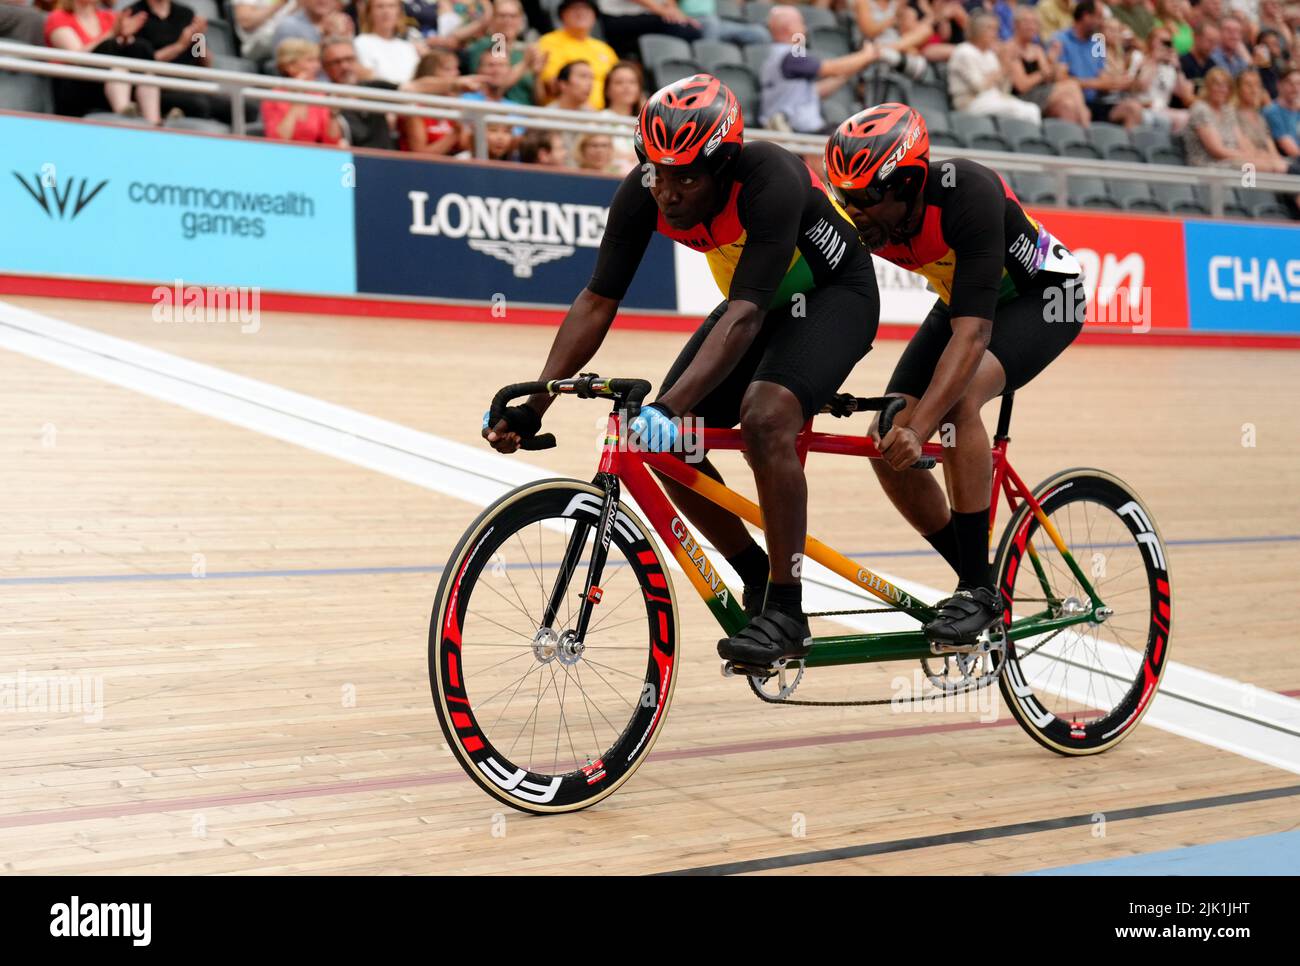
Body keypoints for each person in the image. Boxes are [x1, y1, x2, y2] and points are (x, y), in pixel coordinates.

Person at [484, 74, 882, 665]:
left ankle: (788, 610)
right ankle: (753, 572)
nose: (667, 192)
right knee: (663, 446)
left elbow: (745, 314)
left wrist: (668, 408)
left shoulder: (770, 176)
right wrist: (538, 400)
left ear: (723, 165)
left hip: (832, 298)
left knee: (764, 418)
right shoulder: (648, 187)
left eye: (685, 178)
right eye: (658, 172)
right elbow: (598, 299)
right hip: (759, 303)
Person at [824, 103, 1085, 646]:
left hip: (1045, 298)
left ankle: (977, 594)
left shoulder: (967, 192)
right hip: (963, 298)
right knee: (884, 438)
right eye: (843, 196)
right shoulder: (863, 213)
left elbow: (973, 337)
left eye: (866, 198)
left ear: (910, 183)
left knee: (956, 403)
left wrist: (923, 427)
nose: (852, 211)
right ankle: (980, 576)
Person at [759, 4, 881, 133]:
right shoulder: (791, 56)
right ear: (789, 27)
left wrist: (851, 70)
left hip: (797, 128)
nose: (804, 28)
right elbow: (832, 68)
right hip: (798, 131)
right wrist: (866, 55)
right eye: (801, 23)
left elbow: (815, 91)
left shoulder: (776, 55)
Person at [45, 0, 160, 121]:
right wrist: (112, 34)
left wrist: (125, 37)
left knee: (140, 51)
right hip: (76, 87)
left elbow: (127, 49)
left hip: (111, 85)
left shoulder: (110, 17)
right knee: (115, 66)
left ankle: (154, 124)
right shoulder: (58, 17)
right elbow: (77, 58)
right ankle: (125, 118)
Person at [1053, 0, 1143, 125]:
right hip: (1072, 99)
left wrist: (1118, 82)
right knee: (1071, 107)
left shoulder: (1097, 42)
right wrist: (1097, 84)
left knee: (1133, 108)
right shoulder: (1061, 39)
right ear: (1086, 16)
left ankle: (1127, 144)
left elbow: (1101, 74)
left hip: (1097, 100)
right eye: (1098, 17)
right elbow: (1061, 78)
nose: (1101, 22)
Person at [126, 0, 213, 119]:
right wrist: (179, 46)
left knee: (239, 105)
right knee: (199, 105)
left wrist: (200, 39)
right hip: (156, 87)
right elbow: (142, 63)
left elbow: (205, 64)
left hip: (189, 85)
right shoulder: (136, 15)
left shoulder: (186, 14)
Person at [948, 10, 1040, 122]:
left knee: (1033, 109)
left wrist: (1007, 66)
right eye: (990, 28)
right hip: (970, 102)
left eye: (996, 29)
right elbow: (978, 87)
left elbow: (1004, 90)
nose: (995, 33)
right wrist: (1002, 70)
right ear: (977, 30)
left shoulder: (990, 55)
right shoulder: (964, 52)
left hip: (992, 99)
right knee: (1020, 111)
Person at [1007, 5, 1089, 125]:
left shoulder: (1037, 49)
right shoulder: (1010, 48)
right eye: (1026, 22)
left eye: (1034, 23)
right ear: (1015, 25)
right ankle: (1087, 130)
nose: (1031, 26)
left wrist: (1053, 61)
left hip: (1041, 94)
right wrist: (1044, 73)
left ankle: (1072, 141)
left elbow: (1049, 79)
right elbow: (1022, 85)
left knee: (1067, 105)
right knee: (1072, 86)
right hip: (1021, 98)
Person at [535, 0, 617, 107]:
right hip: (563, 113)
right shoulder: (547, 42)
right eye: (574, 8)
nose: (580, 13)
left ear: (594, 16)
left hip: (603, 117)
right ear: (562, 15)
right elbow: (552, 85)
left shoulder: (606, 50)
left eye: (587, 9)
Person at [262, 37, 343, 141]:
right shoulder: (273, 97)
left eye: (317, 60)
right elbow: (278, 140)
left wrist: (333, 115)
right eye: (310, 60)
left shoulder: (318, 95)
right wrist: (297, 102)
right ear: (290, 66)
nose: (317, 66)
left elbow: (332, 142)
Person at [354, 0, 422, 83]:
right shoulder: (360, 42)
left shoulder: (408, 47)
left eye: (391, 6)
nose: (386, 11)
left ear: (399, 12)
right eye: (380, 6)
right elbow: (370, 78)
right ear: (370, 12)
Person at [601, 59, 645, 172]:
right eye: (619, 82)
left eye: (632, 82)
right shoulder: (598, 120)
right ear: (607, 90)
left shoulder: (646, 122)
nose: (626, 87)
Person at [1263, 66, 1300, 159]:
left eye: (1298, 84)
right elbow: (1291, 150)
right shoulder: (1272, 111)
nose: (1295, 88)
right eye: (1290, 83)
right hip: (1288, 163)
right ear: (1279, 85)